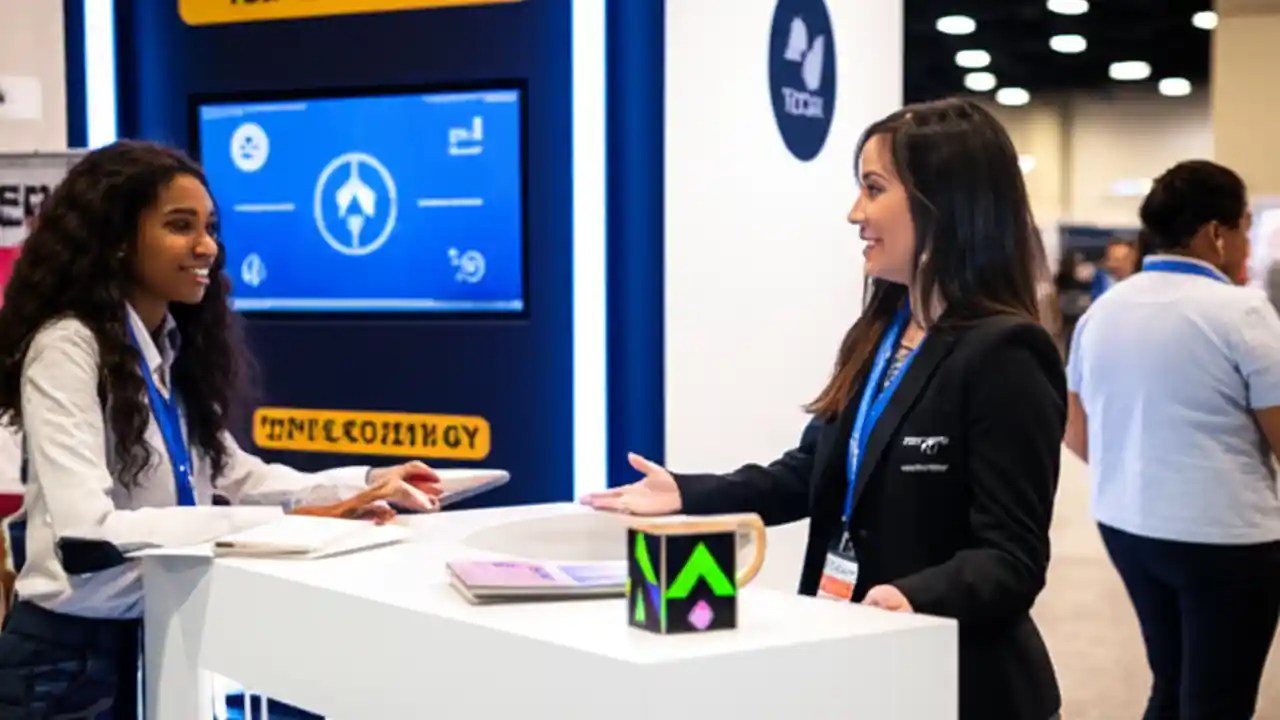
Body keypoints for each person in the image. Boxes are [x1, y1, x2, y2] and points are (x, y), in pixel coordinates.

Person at [583, 98, 1064, 720]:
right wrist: (688, 494)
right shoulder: (881, 332)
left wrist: (909, 597)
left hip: (960, 686)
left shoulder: (1005, 353)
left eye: (873, 189)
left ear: (941, 201)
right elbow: (810, 475)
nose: (854, 213)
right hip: (857, 666)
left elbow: (1012, 558)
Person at [0, 140, 445, 718]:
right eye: (180, 226)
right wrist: (284, 524)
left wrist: (363, 483)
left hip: (151, 632)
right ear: (114, 239)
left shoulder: (167, 348)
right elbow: (88, 532)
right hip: (63, 664)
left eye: (209, 227)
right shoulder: (68, 346)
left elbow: (234, 475)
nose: (206, 246)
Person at [1064, 160, 1280, 720]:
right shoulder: (1243, 312)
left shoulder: (1104, 310)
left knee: (1171, 683)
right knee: (1218, 702)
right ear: (1216, 233)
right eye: (1245, 230)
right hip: (1226, 541)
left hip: (1128, 527)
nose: (1248, 247)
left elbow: (1076, 425)